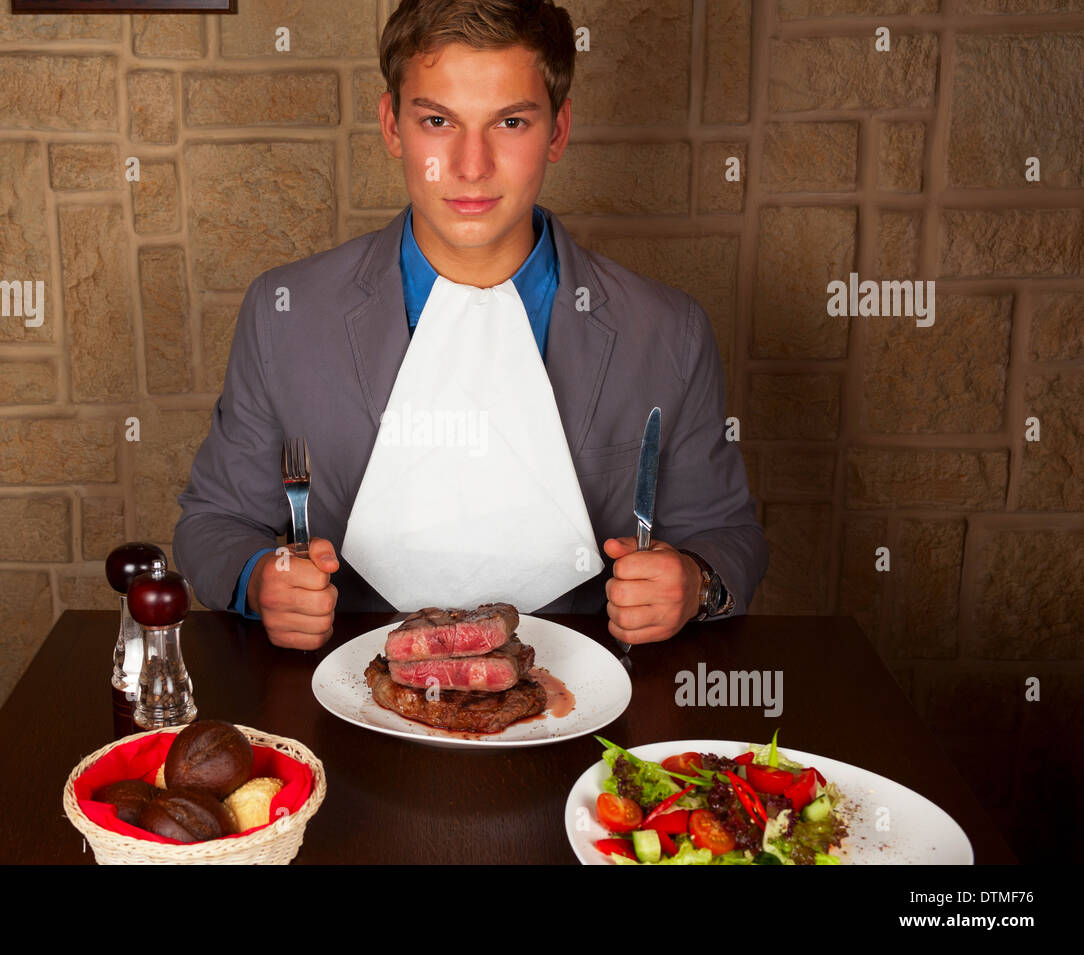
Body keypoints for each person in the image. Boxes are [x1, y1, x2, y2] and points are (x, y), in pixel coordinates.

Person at [174, 0, 767, 650]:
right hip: (349, 707)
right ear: (393, 127)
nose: (471, 164)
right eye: (437, 120)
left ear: (558, 131)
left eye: (510, 121)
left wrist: (693, 580)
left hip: (579, 713)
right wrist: (261, 579)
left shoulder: (668, 331)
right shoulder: (284, 314)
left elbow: (729, 534)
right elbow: (213, 521)